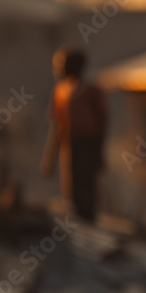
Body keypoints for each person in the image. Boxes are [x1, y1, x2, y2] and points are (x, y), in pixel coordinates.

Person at [40, 46, 108, 222]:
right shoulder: (60, 91)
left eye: (61, 65)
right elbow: (56, 125)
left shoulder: (91, 91)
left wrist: (99, 152)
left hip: (87, 144)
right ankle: (78, 223)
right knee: (71, 189)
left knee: (87, 189)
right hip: (68, 145)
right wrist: (50, 158)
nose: (57, 69)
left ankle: (89, 224)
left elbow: (102, 122)